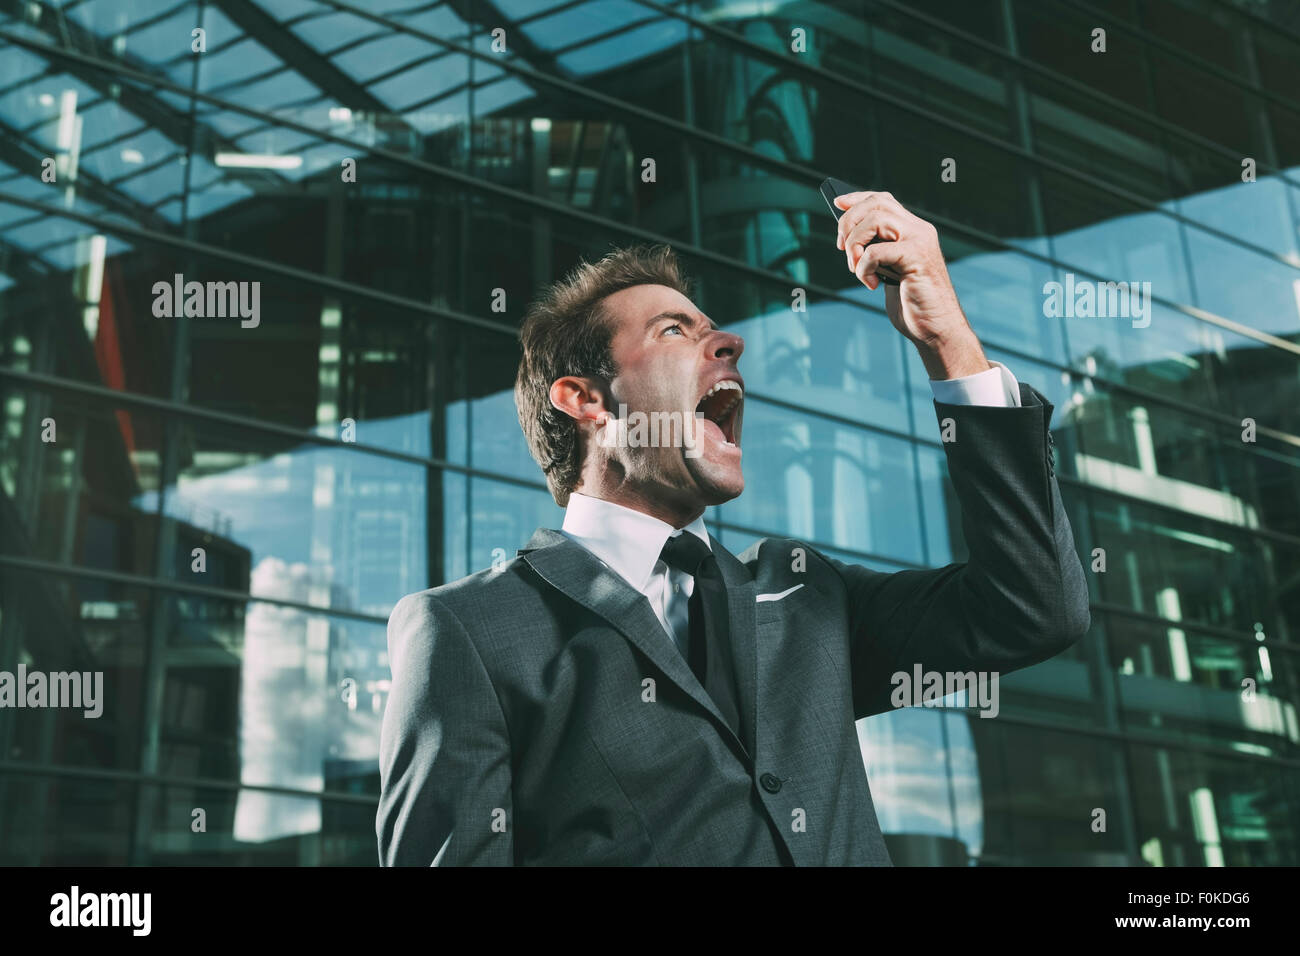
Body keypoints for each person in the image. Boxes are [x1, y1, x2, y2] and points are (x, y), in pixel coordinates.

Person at [376, 190, 1090, 865]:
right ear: (585, 399)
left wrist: (948, 340)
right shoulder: (469, 630)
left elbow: (1035, 610)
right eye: (674, 330)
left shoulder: (806, 595)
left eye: (713, 329)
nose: (731, 343)